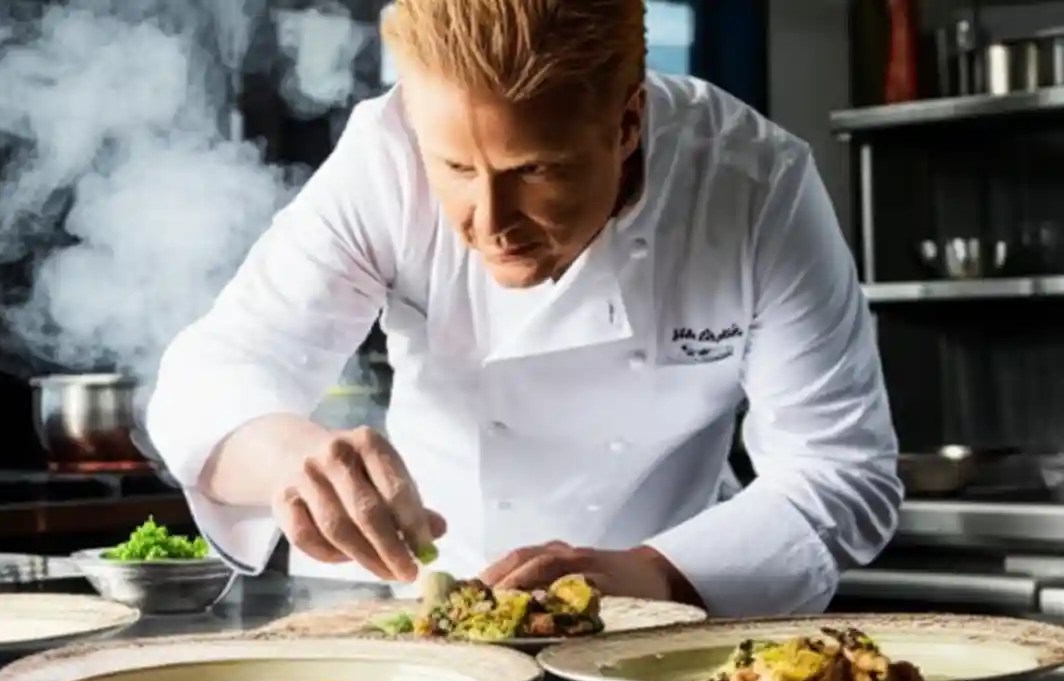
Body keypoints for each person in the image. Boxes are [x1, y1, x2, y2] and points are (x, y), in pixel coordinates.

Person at [145, 0, 903, 617]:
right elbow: (216, 369)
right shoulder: (385, 156)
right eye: (455, 169)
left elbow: (841, 471)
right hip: (408, 616)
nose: (490, 220)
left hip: (656, 624)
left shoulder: (752, 186)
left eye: (536, 170)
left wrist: (644, 576)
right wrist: (288, 458)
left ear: (628, 122)